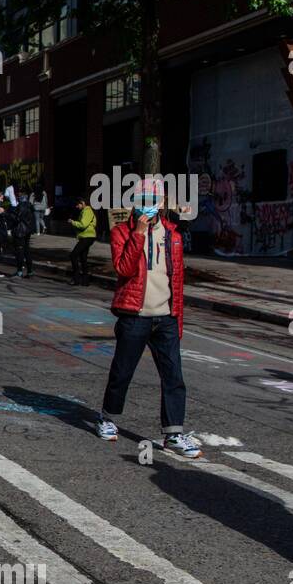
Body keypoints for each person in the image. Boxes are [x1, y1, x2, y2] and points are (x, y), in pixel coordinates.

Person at [97, 186, 200, 459]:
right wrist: (139, 233)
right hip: (134, 315)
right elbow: (124, 269)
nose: (149, 206)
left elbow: (176, 279)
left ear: (162, 202)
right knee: (122, 371)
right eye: (143, 201)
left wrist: (176, 318)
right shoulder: (121, 232)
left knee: (173, 376)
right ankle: (108, 417)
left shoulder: (173, 236)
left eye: (154, 201)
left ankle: (173, 433)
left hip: (165, 316)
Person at [69, 198, 97, 286]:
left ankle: (76, 278)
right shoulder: (85, 211)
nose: (77, 207)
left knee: (73, 255)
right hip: (86, 236)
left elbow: (83, 225)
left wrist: (73, 222)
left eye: (78, 205)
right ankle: (85, 280)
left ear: (83, 203)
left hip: (87, 236)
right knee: (83, 258)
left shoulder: (87, 211)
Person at [11, 194, 34, 278]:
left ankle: (19, 271)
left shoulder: (21, 206)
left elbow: (17, 218)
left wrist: (10, 214)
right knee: (27, 251)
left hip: (20, 231)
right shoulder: (30, 206)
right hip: (27, 231)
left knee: (20, 251)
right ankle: (30, 271)